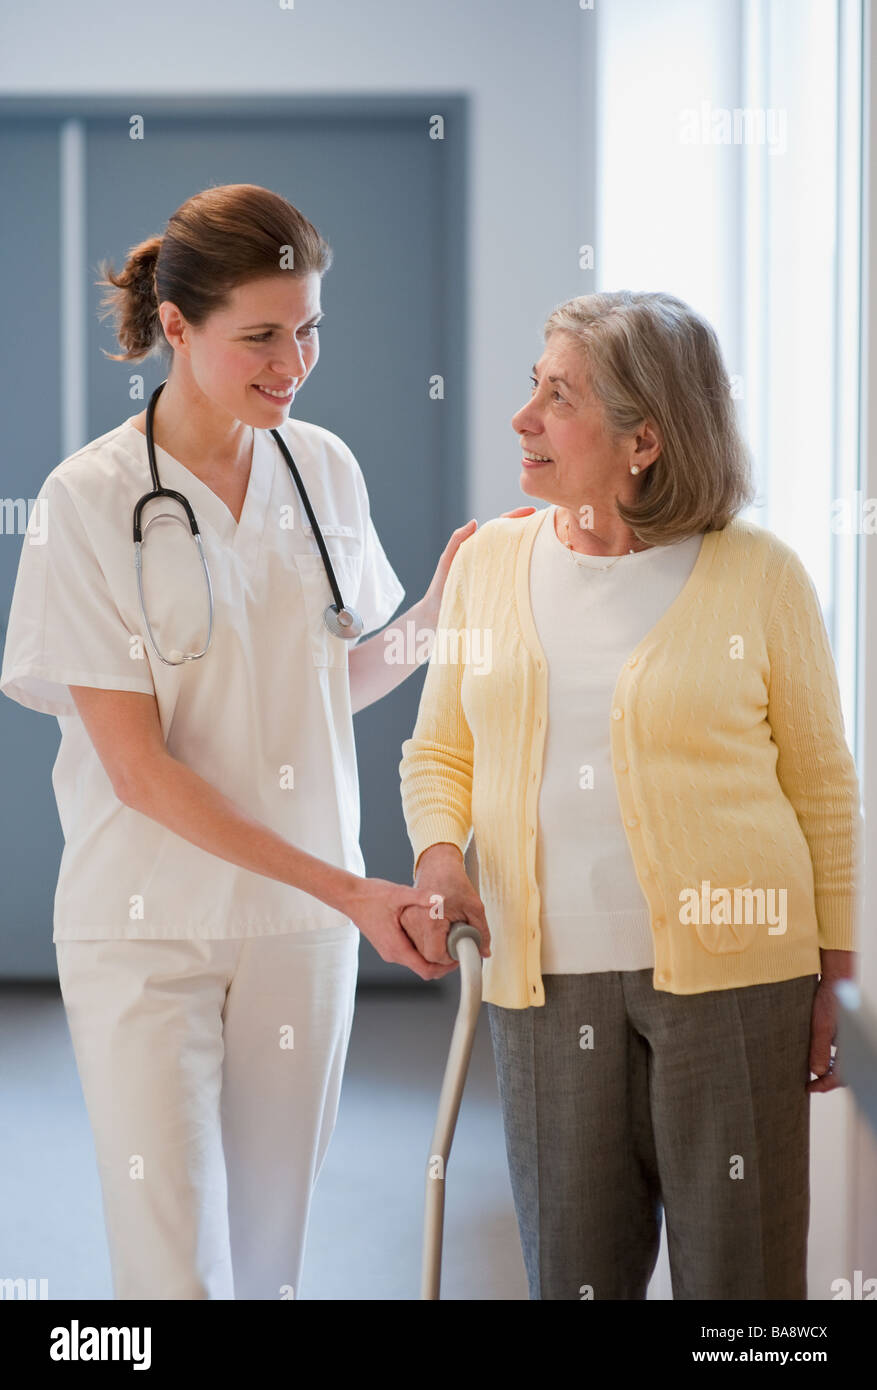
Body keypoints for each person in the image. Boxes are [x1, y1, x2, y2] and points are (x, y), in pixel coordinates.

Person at [0, 182, 529, 1300]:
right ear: (177, 327)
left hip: (297, 932)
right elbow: (139, 770)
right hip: (146, 926)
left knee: (272, 1262)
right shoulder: (88, 500)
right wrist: (352, 890)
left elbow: (318, 686)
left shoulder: (320, 466)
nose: (292, 362)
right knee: (171, 1268)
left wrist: (435, 613)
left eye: (309, 330)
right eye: (260, 337)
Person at [398, 289, 864, 1301]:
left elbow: (823, 785)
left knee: (742, 1294)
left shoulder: (759, 574)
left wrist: (835, 974)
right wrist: (440, 856)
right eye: (533, 385)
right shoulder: (488, 565)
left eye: (556, 395)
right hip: (542, 980)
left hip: (737, 983)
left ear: (642, 439)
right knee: (574, 1277)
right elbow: (438, 750)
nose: (522, 416)